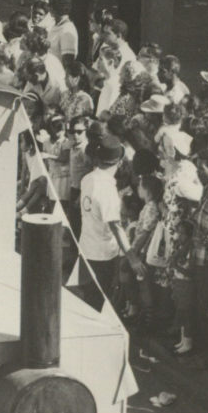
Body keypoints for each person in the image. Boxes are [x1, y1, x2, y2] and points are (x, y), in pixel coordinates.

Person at [78, 130, 129, 313]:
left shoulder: (87, 179)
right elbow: (115, 225)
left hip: (86, 247)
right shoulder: (107, 189)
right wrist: (132, 255)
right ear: (120, 162)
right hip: (103, 255)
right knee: (100, 302)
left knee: (88, 298)